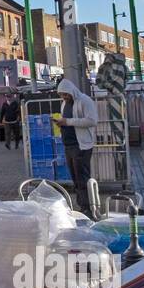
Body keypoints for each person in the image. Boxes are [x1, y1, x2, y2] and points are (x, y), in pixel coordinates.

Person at [56, 79, 99, 216]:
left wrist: (67, 122)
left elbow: (92, 121)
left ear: (71, 91)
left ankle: (88, 207)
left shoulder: (85, 101)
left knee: (82, 178)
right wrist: (62, 123)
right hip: (69, 145)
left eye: (66, 94)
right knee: (76, 178)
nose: (64, 97)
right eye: (62, 95)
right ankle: (83, 206)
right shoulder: (64, 103)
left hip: (81, 145)